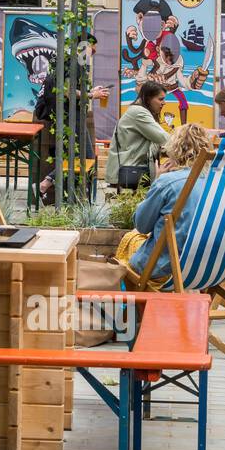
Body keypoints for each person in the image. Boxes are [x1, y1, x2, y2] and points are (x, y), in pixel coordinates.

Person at [127, 123, 211, 279]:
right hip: (205, 266)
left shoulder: (168, 183)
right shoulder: (216, 184)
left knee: (129, 241)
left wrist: (158, 181)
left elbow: (142, 226)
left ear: (175, 149)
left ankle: (138, 302)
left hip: (165, 267)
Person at [35, 34, 110, 202]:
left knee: (83, 156)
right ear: (84, 47)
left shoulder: (67, 61)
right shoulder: (74, 63)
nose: (92, 55)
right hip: (69, 114)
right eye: (92, 50)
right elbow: (68, 91)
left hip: (66, 114)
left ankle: (56, 186)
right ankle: (51, 184)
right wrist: (92, 94)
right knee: (86, 156)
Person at [106, 81, 171, 189]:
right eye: (160, 99)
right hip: (128, 172)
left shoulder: (138, 110)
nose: (164, 103)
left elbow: (155, 143)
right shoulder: (139, 113)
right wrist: (190, 139)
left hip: (130, 171)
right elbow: (164, 138)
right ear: (148, 98)